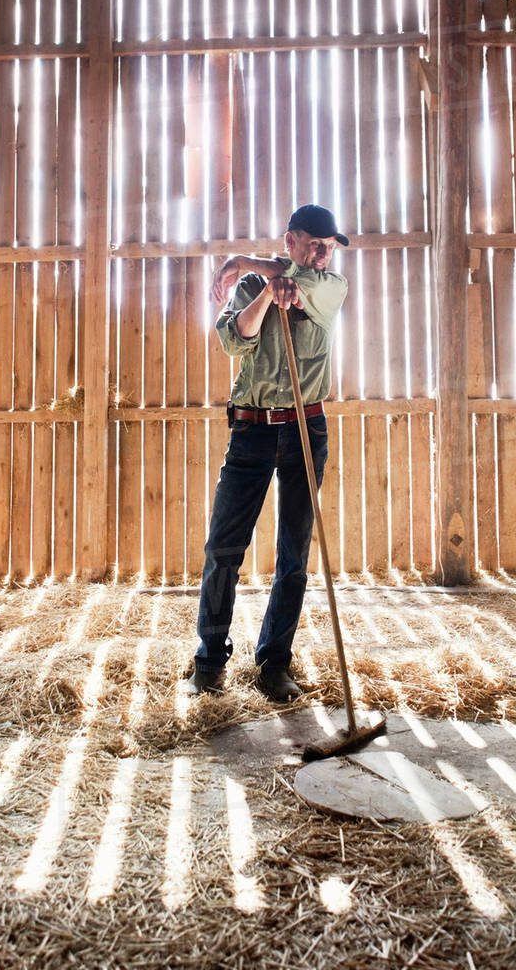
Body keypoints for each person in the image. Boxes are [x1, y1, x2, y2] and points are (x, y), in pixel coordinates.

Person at [190, 204, 349, 701]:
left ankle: (274, 664)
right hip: (252, 431)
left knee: (294, 553)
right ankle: (209, 662)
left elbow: (302, 280)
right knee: (223, 548)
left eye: (329, 247)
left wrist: (250, 261)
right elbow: (233, 342)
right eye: (314, 244)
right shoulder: (248, 289)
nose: (322, 254)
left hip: (306, 427)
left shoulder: (331, 287)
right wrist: (265, 290)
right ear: (290, 240)